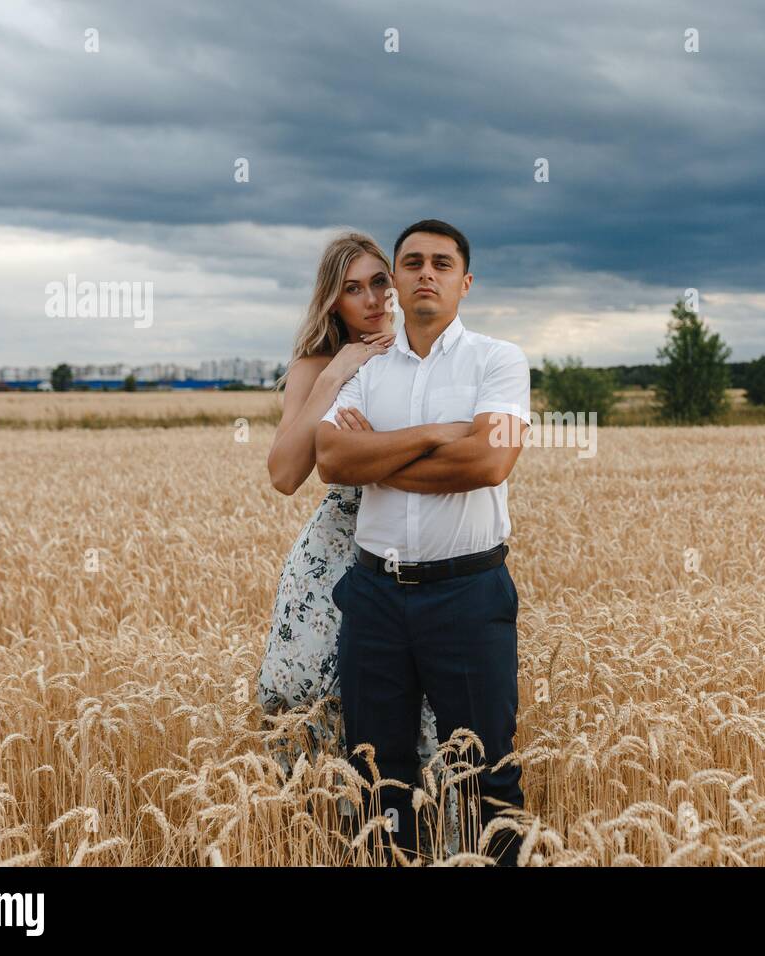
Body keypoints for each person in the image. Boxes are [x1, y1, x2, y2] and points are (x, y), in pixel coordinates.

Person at [316, 219, 531, 865]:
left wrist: (374, 454)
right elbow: (329, 459)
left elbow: (488, 465)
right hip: (375, 595)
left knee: (488, 776)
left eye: (442, 263)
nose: (425, 273)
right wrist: (442, 432)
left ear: (465, 283)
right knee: (379, 778)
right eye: (412, 263)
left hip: (467, 593)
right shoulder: (368, 364)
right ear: (398, 282)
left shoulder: (497, 358)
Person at [257, 229, 460, 852]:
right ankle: (323, 843)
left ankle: (414, 842)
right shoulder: (318, 368)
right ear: (333, 303)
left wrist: (365, 449)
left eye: (380, 281)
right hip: (329, 560)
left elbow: (456, 448)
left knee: (412, 714)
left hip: (410, 545)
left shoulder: (419, 356)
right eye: (353, 288)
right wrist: (337, 374)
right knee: (305, 698)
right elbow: (287, 472)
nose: (373, 298)